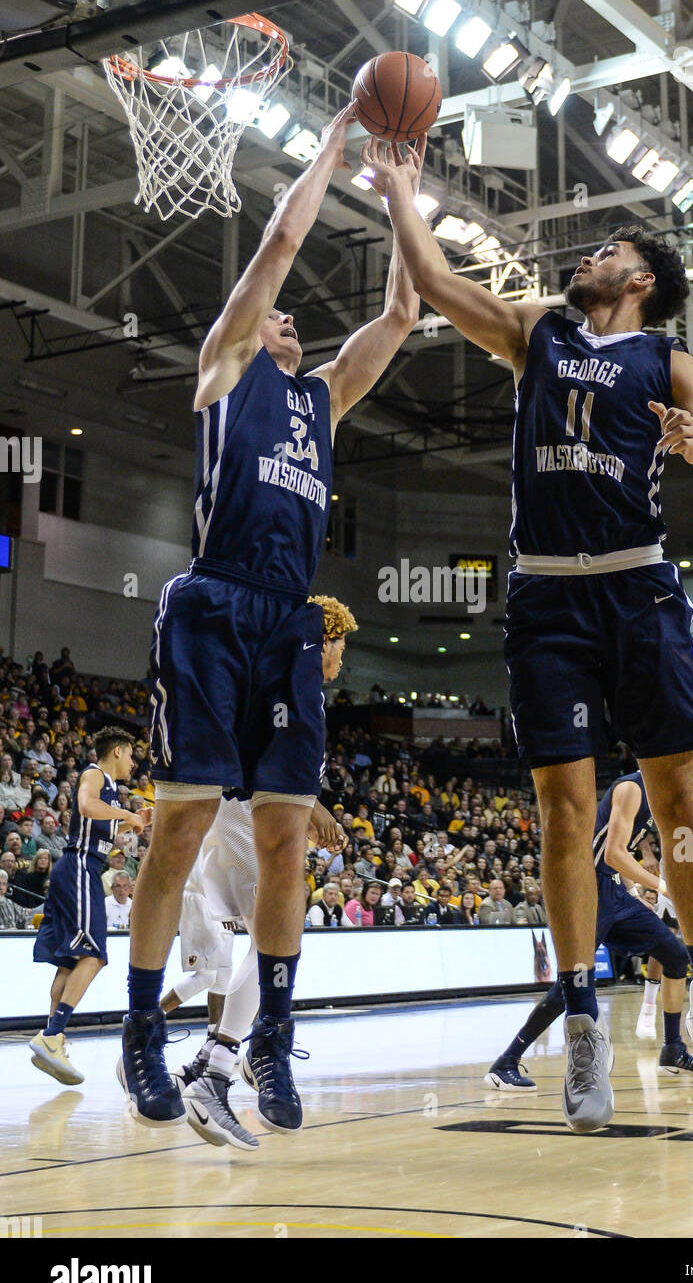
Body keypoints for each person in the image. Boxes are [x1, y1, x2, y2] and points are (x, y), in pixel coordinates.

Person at [362, 138, 693, 1133]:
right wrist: (404, 196)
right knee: (563, 811)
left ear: (642, 276)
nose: (585, 255)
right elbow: (442, 284)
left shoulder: (669, 360)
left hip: (638, 591)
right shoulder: (537, 327)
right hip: (545, 599)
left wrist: (689, 438)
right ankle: (580, 1023)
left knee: (680, 799)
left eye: (606, 247)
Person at [117, 102, 422, 1133]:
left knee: (287, 844)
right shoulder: (225, 367)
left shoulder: (321, 404)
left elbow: (399, 321)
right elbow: (281, 241)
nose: (287, 318)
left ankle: (272, 1043)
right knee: (182, 825)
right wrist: (339, 134)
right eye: (279, 313)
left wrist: (403, 199)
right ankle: (136, 1037)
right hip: (210, 605)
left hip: (288, 621)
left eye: (293, 319)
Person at [162, 598, 354, 1147]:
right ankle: (220, 1067)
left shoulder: (296, 681)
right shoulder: (287, 673)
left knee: (266, 944)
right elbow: (257, 750)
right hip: (242, 811)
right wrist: (306, 805)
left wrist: (313, 804)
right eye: (342, 647)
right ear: (328, 640)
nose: (343, 661)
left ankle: (200, 1064)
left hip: (239, 811)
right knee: (272, 943)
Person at [486, 772, 693, 1094]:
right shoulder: (631, 788)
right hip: (588, 889)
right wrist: (662, 887)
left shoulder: (658, 794)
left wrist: (632, 890)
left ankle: (673, 1048)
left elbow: (611, 848)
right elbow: (611, 854)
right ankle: (506, 1062)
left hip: (615, 892)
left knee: (675, 954)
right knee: (573, 983)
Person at [30, 728, 147, 1084]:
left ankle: (53, 1040)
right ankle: (52, 1036)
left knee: (70, 961)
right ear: (118, 750)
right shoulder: (95, 774)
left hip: (80, 867)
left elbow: (105, 831)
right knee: (94, 956)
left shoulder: (108, 791)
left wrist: (139, 822)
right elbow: (84, 805)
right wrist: (128, 815)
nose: (133, 762)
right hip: (80, 867)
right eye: (130, 755)